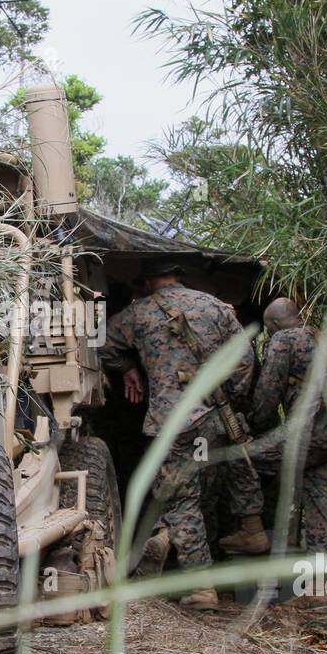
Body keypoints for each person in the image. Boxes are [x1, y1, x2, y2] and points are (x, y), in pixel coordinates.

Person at [100, 258, 265, 610]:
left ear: (148, 282)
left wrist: (128, 368)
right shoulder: (215, 306)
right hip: (218, 418)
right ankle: (215, 550)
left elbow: (102, 344)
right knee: (206, 492)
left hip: (174, 422)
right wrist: (227, 397)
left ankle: (201, 587)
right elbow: (246, 358)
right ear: (179, 277)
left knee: (181, 500)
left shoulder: (137, 313)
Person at [229, 297, 327, 554]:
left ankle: (251, 531)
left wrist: (250, 426)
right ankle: (323, 588)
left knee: (239, 456)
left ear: (272, 323)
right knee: (325, 511)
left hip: (306, 436)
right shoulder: (326, 339)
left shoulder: (284, 340)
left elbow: (266, 398)